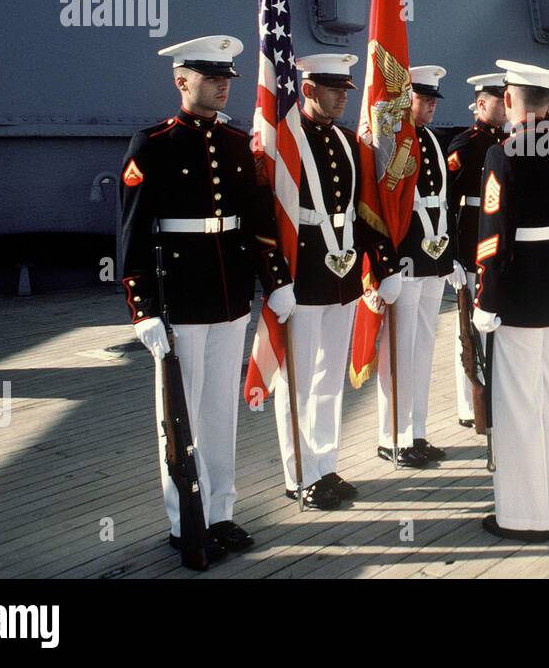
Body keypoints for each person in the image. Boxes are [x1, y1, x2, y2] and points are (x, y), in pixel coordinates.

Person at [121, 35, 293, 561]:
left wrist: (276, 280)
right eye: (211, 76)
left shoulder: (239, 144)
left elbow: (259, 221)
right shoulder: (153, 144)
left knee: (221, 410)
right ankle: (184, 520)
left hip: (229, 295)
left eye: (227, 78)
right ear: (182, 81)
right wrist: (143, 309)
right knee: (180, 412)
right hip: (180, 297)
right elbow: (131, 233)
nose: (222, 85)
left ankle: (221, 512)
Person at [473, 59, 549, 542]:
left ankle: (522, 517)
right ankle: (548, 506)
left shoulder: (503, 155)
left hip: (518, 295)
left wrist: (487, 297)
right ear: (548, 104)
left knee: (518, 404)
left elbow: (494, 233)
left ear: (508, 100)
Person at [276, 54, 373, 510]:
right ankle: (299, 474)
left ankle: (325, 465)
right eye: (333, 90)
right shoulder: (287, 141)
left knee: (329, 376)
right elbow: (272, 212)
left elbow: (357, 209)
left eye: (345, 91)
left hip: (344, 271)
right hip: (305, 268)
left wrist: (380, 266)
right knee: (298, 379)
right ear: (309, 90)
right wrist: (276, 277)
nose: (341, 98)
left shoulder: (348, 142)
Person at [375, 65, 460, 468]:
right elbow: (382, 205)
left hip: (434, 255)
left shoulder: (432, 139)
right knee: (399, 349)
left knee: (424, 347)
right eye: (423, 99)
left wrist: (452, 256)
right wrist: (384, 265)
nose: (429, 107)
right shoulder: (391, 140)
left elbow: (445, 200)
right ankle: (391, 434)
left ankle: (417, 430)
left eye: (432, 100)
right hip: (405, 253)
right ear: (405, 98)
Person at [444, 71, 509, 428]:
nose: (506, 106)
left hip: (497, 246)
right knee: (469, 332)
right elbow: (449, 204)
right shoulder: (464, 145)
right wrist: (452, 253)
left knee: (494, 325)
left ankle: (493, 396)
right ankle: (470, 404)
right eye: (500, 100)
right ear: (482, 103)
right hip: (471, 245)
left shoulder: (510, 142)